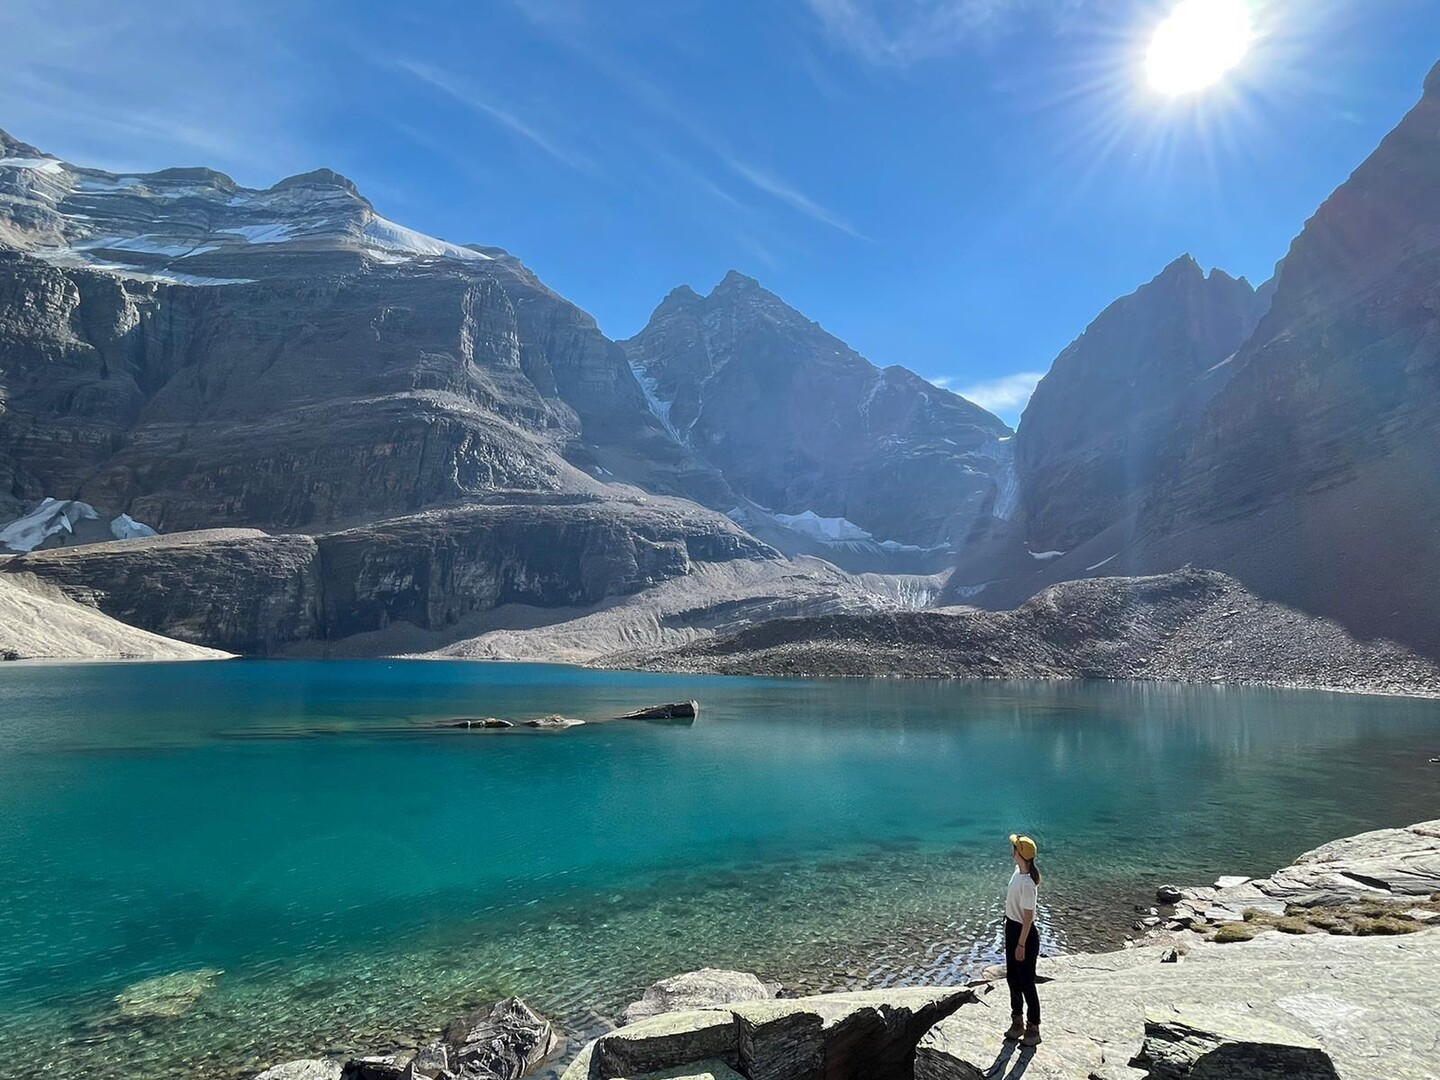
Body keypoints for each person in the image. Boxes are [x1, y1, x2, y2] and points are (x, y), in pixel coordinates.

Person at [1003, 833, 1042, 1046]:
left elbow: (1028, 917)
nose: (1012, 850)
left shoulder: (1028, 884)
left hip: (1023, 933)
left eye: (1014, 847)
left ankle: (1033, 1027)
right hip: (1011, 928)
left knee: (1027, 982)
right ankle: (1016, 1021)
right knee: (1012, 978)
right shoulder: (1017, 872)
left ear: (1020, 854)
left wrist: (1021, 944)